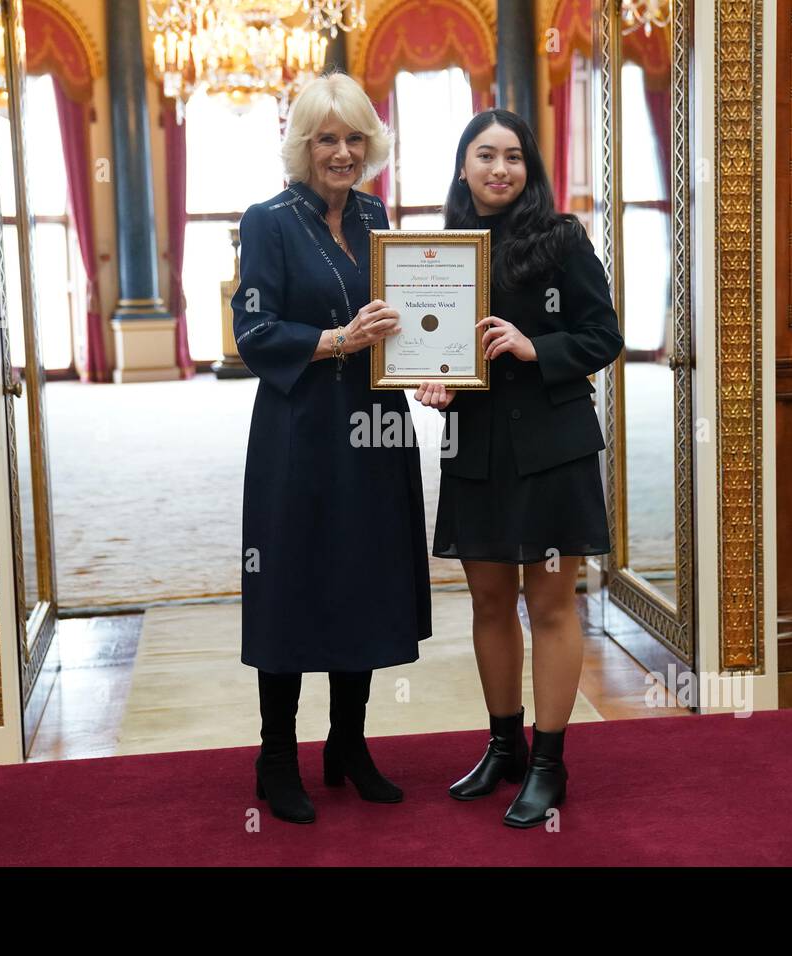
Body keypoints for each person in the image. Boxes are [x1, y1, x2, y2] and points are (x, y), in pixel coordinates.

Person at [231, 73, 432, 824]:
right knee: (291, 580)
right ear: (302, 146)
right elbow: (254, 333)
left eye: (354, 138)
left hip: (376, 426)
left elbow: (408, 323)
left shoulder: (380, 215)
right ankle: (275, 755)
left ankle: (348, 744)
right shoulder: (267, 221)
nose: (342, 152)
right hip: (300, 429)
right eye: (327, 138)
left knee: (364, 572)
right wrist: (340, 339)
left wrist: (434, 374)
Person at [414, 109, 623, 826]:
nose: (499, 169)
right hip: (475, 444)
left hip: (552, 448)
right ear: (463, 166)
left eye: (513, 157)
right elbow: (437, 351)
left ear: (529, 168)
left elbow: (605, 334)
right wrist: (434, 382)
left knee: (552, 605)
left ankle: (548, 762)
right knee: (490, 603)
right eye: (485, 155)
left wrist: (537, 348)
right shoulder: (442, 250)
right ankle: (502, 746)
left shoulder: (561, 238)